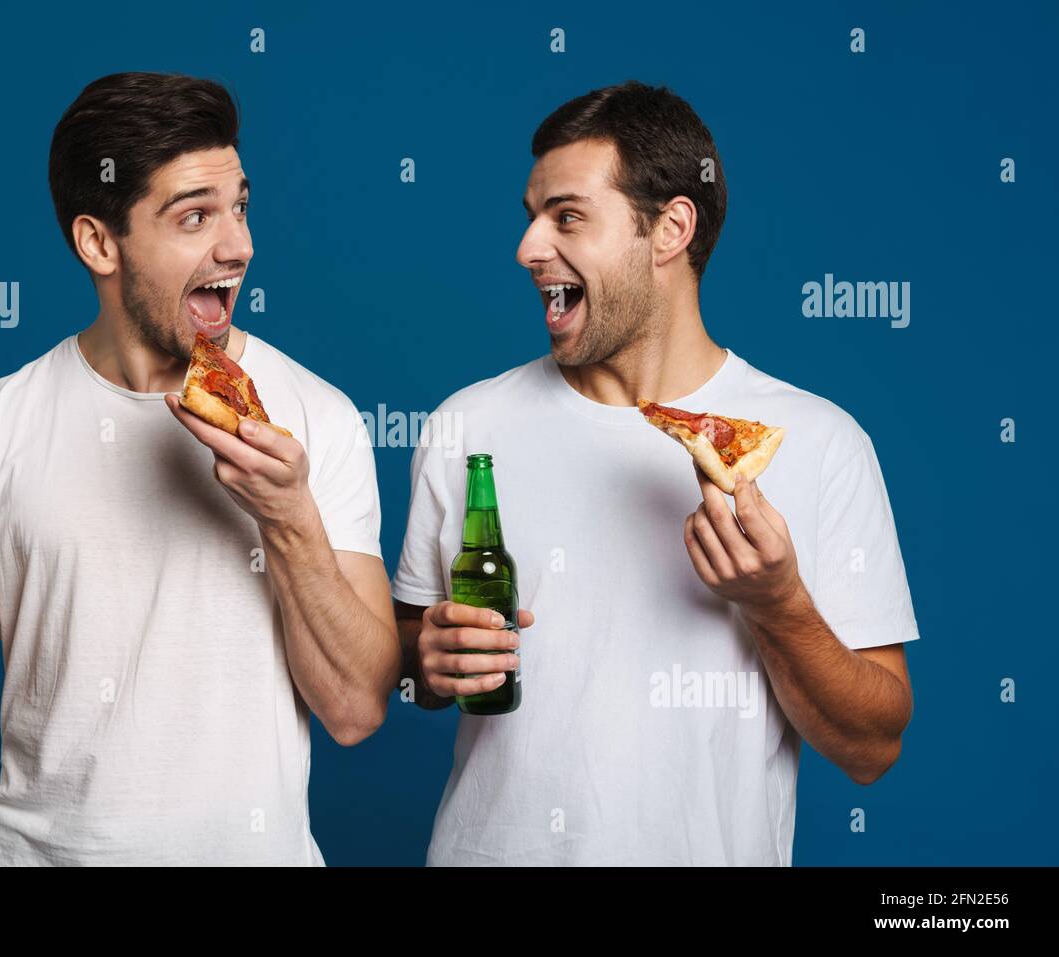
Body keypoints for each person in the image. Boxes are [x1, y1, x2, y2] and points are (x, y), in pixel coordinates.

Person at [0, 72, 399, 866]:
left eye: (240, 206)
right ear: (99, 242)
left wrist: (290, 519)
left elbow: (354, 710)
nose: (238, 244)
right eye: (195, 216)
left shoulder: (317, 417)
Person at [393, 81, 918, 866]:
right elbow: (413, 657)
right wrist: (426, 662)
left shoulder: (818, 440)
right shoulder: (465, 426)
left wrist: (777, 603)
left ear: (670, 228)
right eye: (531, 215)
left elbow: (873, 746)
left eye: (567, 216)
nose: (528, 248)